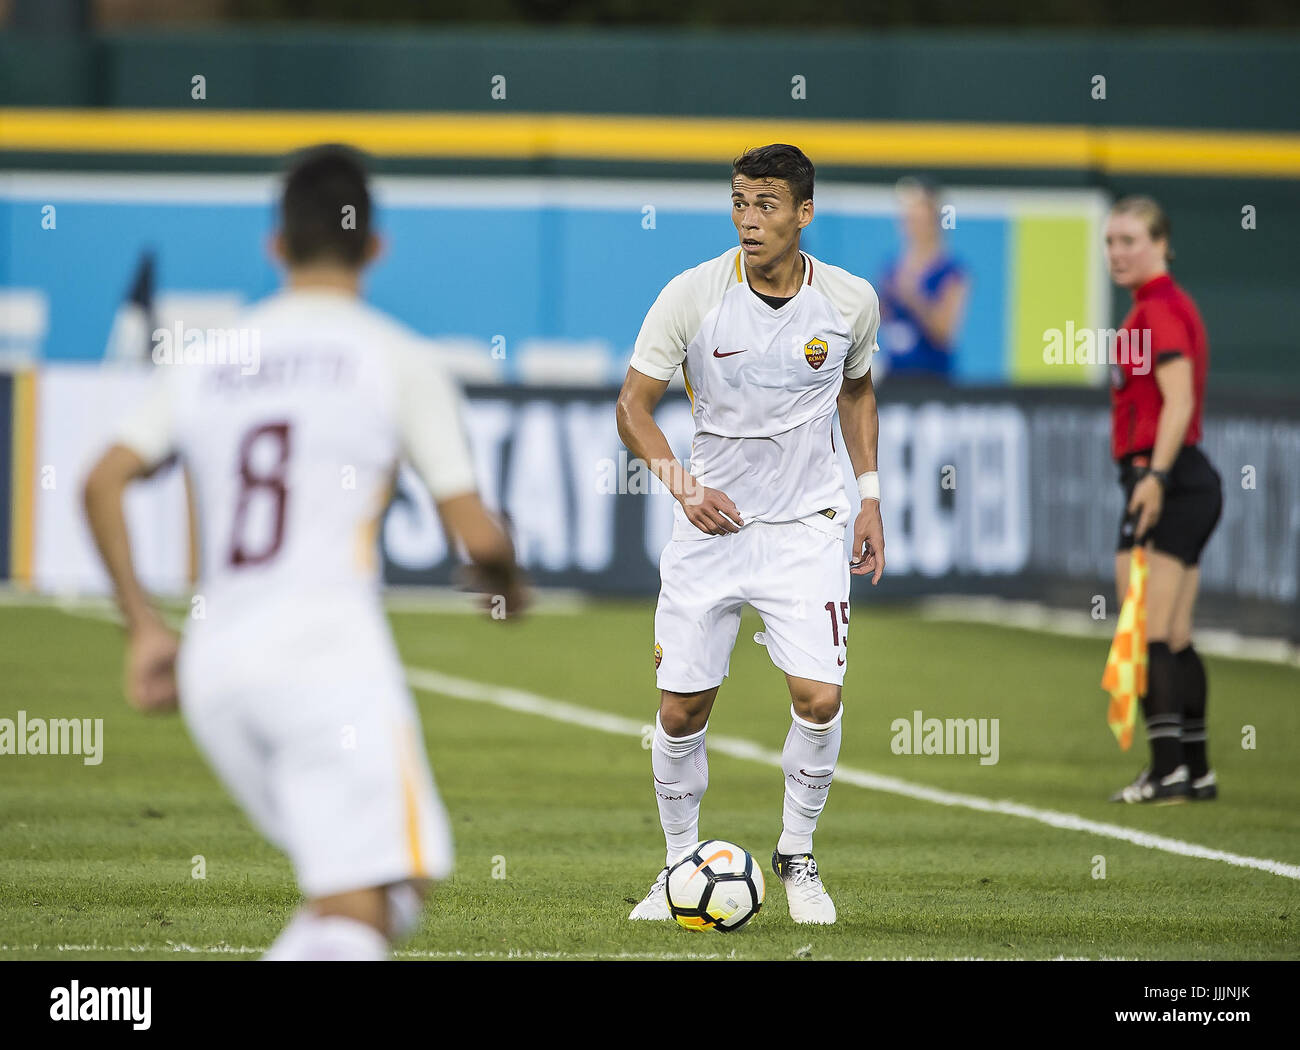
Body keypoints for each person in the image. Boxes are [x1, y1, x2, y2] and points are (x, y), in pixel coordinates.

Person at [82, 144, 528, 959]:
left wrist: (144, 627)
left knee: (358, 896)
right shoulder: (393, 357)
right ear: (375, 247)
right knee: (385, 888)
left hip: (216, 670)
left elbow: (101, 480)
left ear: (276, 247)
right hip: (324, 655)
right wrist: (505, 583)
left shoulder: (210, 359)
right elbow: (478, 536)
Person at [616, 144, 885, 925]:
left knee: (820, 696)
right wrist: (683, 486)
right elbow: (633, 406)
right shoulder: (693, 295)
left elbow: (858, 394)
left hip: (807, 524)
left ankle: (797, 855)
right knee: (680, 712)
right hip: (711, 527)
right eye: (739, 202)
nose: (749, 220)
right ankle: (676, 870)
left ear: (805, 213)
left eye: (767, 204)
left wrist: (868, 496)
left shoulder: (848, 302)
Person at [1104, 195, 1222, 804]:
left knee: (1145, 626)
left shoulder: (1157, 312)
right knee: (1173, 632)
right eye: (1111, 242)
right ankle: (1195, 770)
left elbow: (1178, 402)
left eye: (1130, 240)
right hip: (1184, 479)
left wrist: (1156, 478)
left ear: (1161, 243)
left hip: (1167, 478)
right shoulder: (1157, 308)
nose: (1118, 253)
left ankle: (1168, 769)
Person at [875, 176, 968, 381]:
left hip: (932, 378)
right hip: (894, 377)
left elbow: (943, 332)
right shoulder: (891, 269)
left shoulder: (950, 272)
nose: (913, 225)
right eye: (909, 218)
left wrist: (915, 299)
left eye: (920, 219)